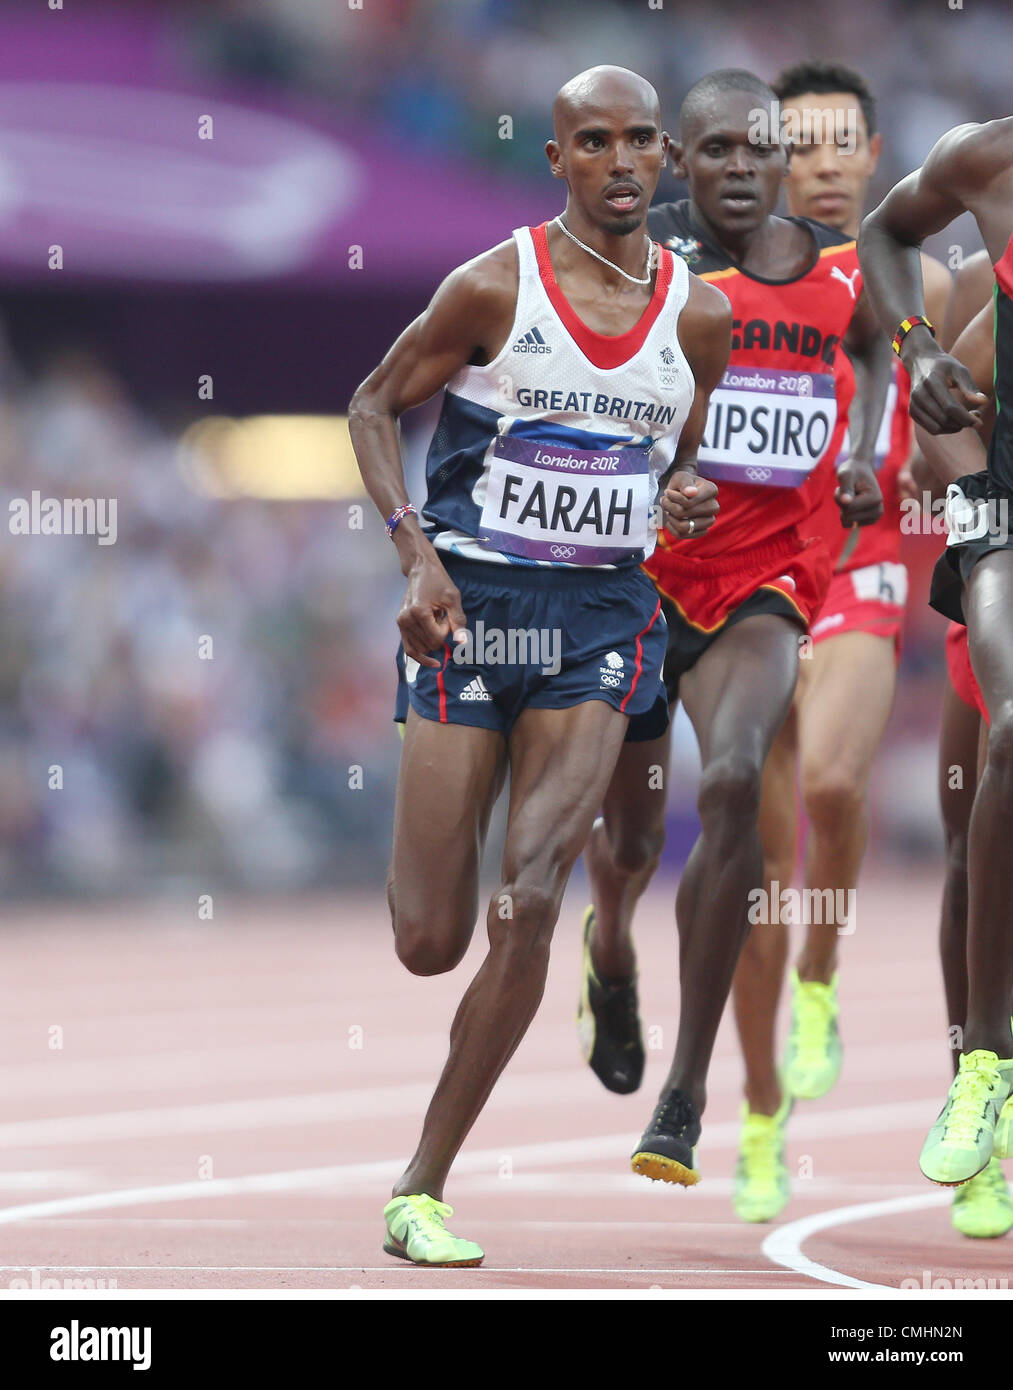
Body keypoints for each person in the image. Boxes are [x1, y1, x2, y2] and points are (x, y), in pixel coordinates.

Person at [349, 65, 731, 1266]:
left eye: (641, 143)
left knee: (528, 900)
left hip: (601, 622)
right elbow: (367, 405)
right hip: (471, 610)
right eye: (595, 142)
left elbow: (681, 452)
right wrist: (414, 557)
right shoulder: (492, 285)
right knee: (430, 937)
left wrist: (679, 494)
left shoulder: (698, 315)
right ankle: (501, 943)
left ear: (662, 157)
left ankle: (422, 1185)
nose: (622, 162)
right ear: (557, 158)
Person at [577, 68, 890, 1190]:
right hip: (636, 579)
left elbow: (870, 347)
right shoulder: (633, 261)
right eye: (717, 151)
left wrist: (859, 451)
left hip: (767, 581)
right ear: (676, 159)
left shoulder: (836, 267)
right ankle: (608, 949)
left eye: (761, 149)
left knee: (736, 786)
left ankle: (686, 1092)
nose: (746, 169)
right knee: (620, 848)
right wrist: (656, 475)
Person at [728, 62, 951, 1224]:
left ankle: (820, 975)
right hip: (749, 584)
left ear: (872, 157)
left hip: (857, 572)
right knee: (754, 874)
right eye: (796, 145)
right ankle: (759, 1114)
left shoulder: (920, 282)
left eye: (838, 145)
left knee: (830, 780)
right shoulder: (729, 277)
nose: (818, 164)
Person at [859, 115, 1013, 1187]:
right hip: (1000, 500)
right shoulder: (985, 159)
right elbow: (881, 233)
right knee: (1010, 736)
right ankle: (983, 1062)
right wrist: (914, 348)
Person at [912, 296, 1012, 1233]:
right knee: (967, 858)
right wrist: (979, 499)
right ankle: (974, 1082)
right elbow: (927, 430)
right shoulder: (994, 262)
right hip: (999, 572)